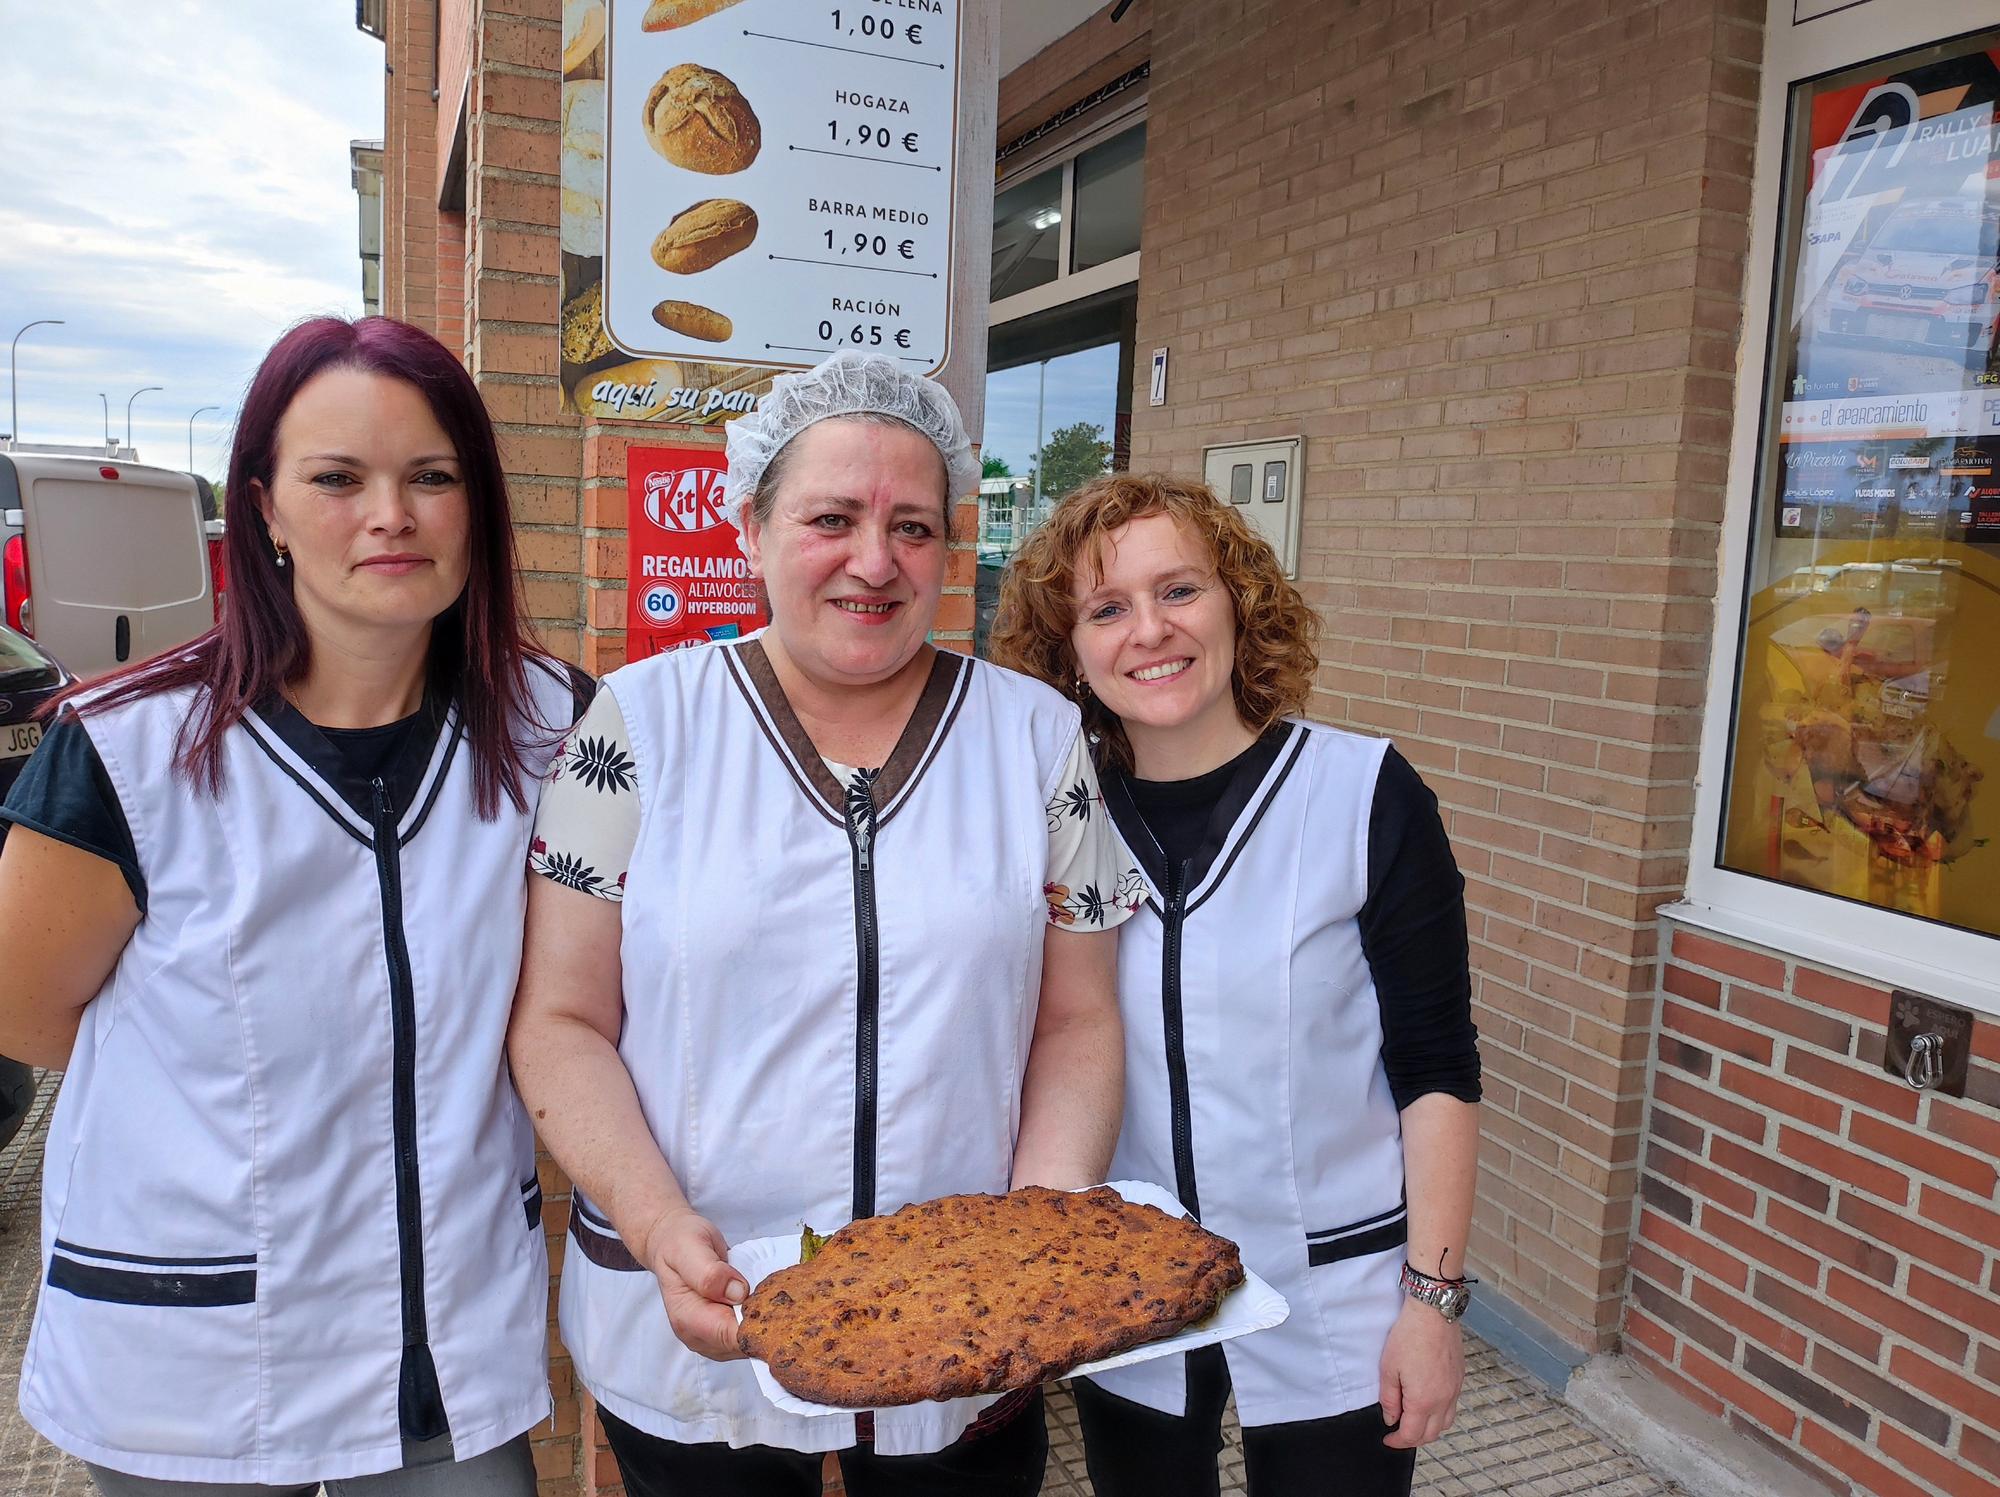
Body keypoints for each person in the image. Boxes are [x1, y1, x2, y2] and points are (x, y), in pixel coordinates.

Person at [508, 350, 1138, 1497]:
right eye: (831, 517)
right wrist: (654, 1226)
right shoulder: (636, 729)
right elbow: (557, 1020)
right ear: (750, 527)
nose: (873, 560)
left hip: (961, 1332)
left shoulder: (1035, 740)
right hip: (701, 1314)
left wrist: (1034, 1242)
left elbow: (1078, 1020)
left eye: (911, 527)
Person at [0, 316, 589, 1496]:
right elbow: (26, 1012)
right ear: (263, 507)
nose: (392, 515)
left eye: (432, 476)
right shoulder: (128, 749)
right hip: (202, 1336)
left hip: (445, 1326)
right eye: (338, 478)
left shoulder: (555, 729)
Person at [992, 474, 1481, 1497]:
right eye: (1106, 608)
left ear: (1238, 602)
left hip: (1334, 1285)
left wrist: (1430, 1307)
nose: (1148, 631)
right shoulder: (1052, 822)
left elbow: (1434, 1070)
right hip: (1123, 1292)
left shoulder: (1362, 796)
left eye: (1179, 591)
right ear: (1068, 649)